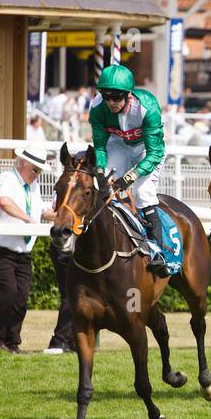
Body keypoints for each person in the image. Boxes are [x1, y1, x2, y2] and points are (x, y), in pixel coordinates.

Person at [88, 64, 169, 276]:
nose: (111, 103)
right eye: (107, 97)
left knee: (141, 193)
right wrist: (100, 169)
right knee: (101, 187)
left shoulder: (147, 107)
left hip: (147, 151)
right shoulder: (97, 108)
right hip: (118, 145)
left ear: (128, 94)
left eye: (116, 97)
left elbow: (154, 153)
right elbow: (100, 146)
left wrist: (132, 175)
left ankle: (158, 251)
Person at [0, 149, 56, 352]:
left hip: (21, 251)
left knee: (20, 298)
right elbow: (4, 202)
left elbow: (41, 211)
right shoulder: (4, 179)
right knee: (7, 293)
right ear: (22, 164)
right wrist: (27, 219)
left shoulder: (33, 186)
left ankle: (12, 343)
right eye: (35, 170)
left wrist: (60, 215)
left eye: (40, 171)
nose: (38, 174)